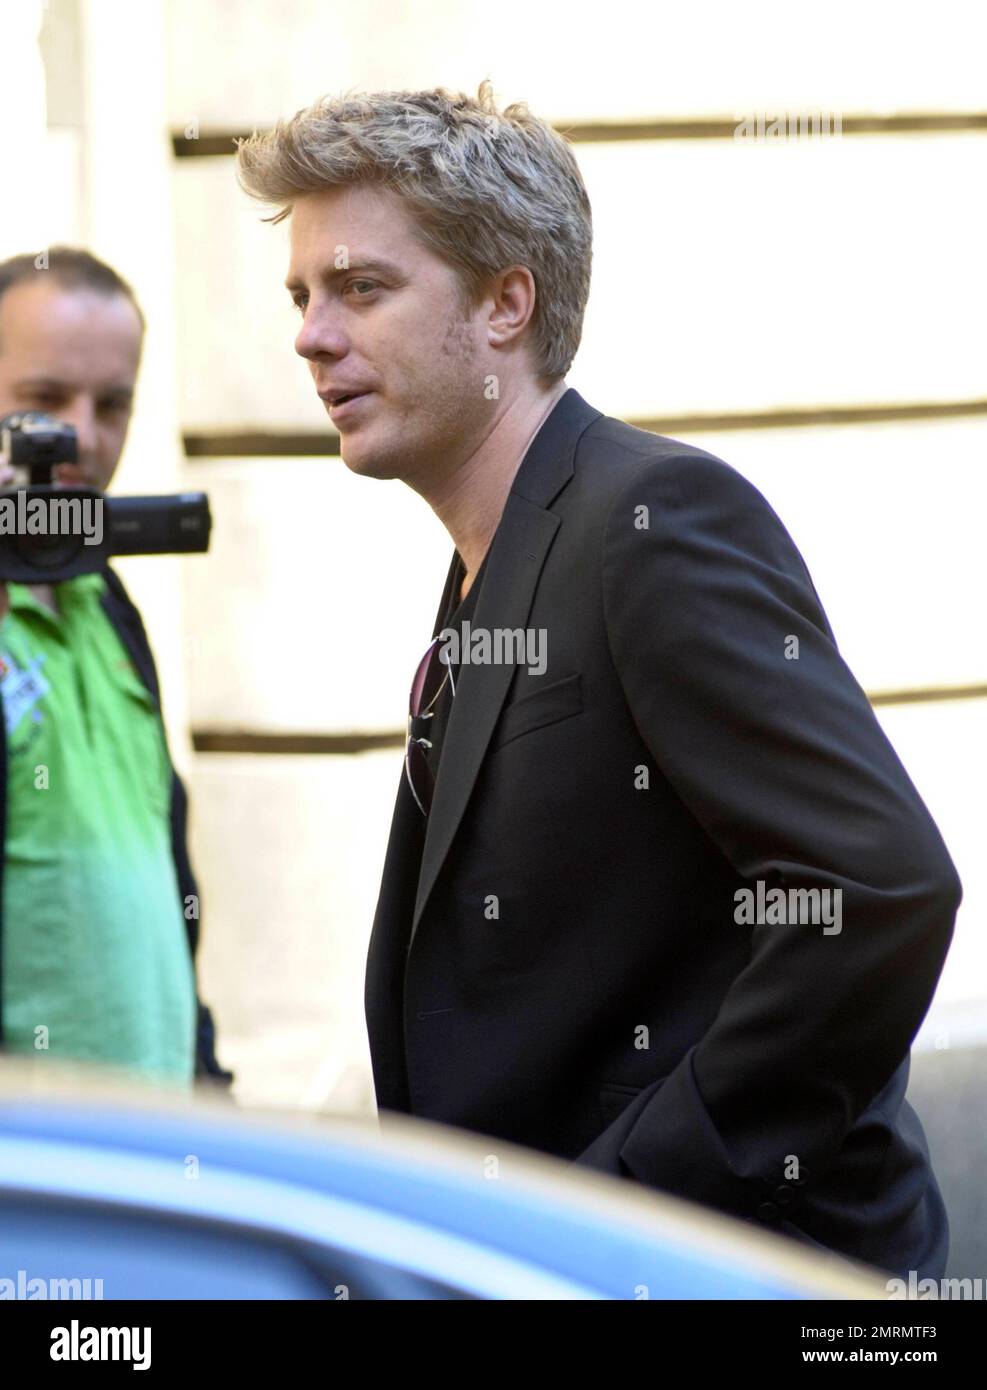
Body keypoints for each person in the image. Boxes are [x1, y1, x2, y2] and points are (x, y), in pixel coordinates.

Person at [236, 83, 960, 1279]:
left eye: (362, 288)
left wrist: (628, 1205)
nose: (312, 333)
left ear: (505, 303)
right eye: (303, 295)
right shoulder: (494, 557)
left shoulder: (650, 521)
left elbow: (876, 890)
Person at [0, 246, 231, 1091]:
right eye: (43, 402)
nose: (83, 440)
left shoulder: (107, 602)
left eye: (113, 404)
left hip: (149, 1163)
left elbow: (165, 898)